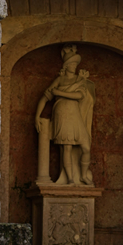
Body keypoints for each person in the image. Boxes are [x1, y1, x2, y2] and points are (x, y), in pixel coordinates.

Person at [34, 46, 96, 186]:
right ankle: (70, 179)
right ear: (66, 66)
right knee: (66, 148)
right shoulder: (59, 80)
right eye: (72, 64)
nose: (74, 67)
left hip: (75, 115)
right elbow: (44, 98)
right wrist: (37, 116)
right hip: (62, 114)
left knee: (86, 146)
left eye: (75, 64)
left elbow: (79, 95)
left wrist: (59, 93)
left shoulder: (79, 80)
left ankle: (84, 175)